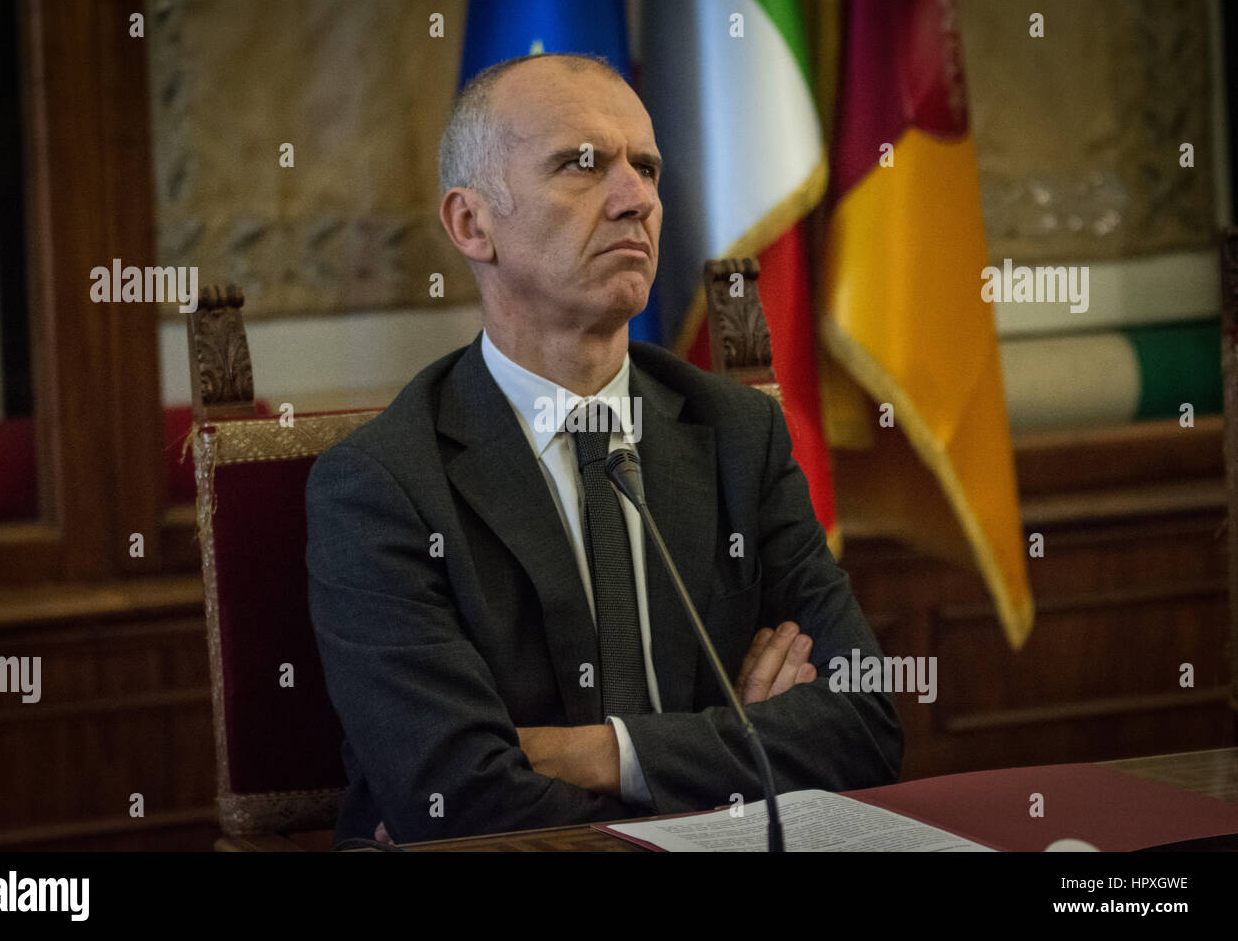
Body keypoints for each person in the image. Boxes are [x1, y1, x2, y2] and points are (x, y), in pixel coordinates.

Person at [306, 52, 902, 847]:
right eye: (583, 166)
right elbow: (455, 799)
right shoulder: (383, 485)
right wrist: (734, 754)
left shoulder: (736, 433)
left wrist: (596, 753)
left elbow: (864, 727)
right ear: (471, 223)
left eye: (647, 168)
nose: (636, 200)